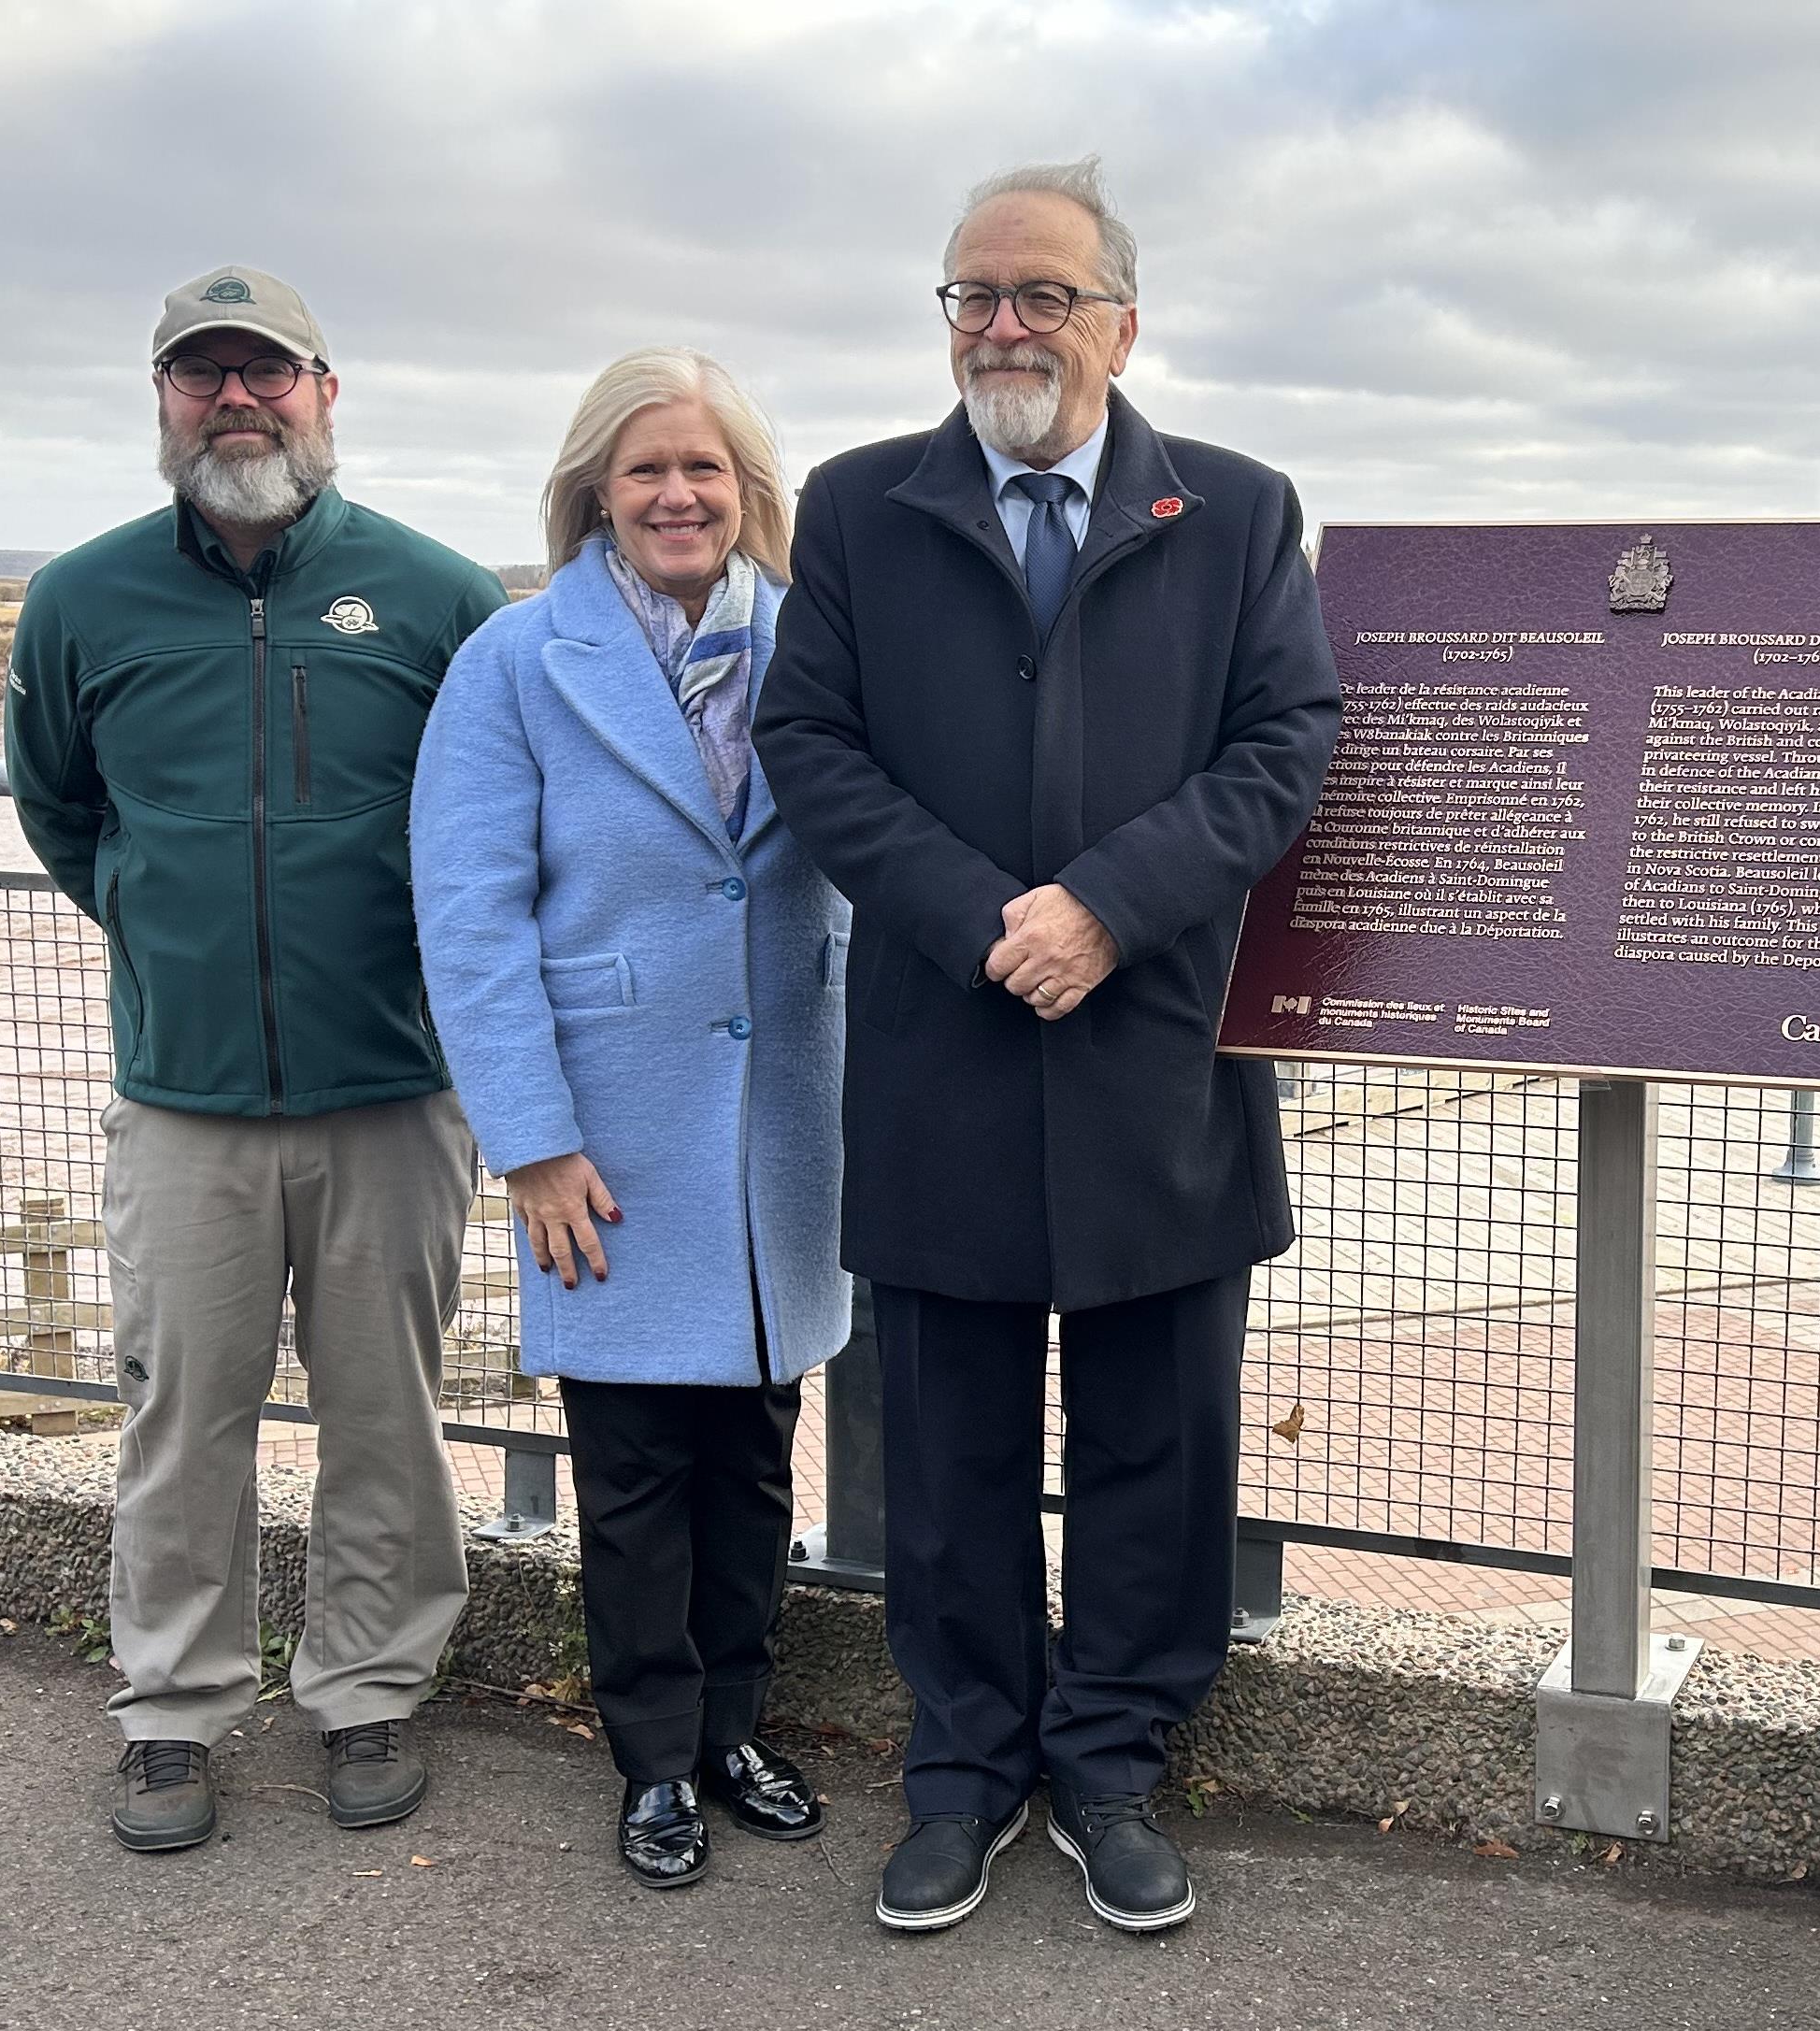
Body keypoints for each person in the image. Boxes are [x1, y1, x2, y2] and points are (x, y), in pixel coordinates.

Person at [755, 156, 1340, 1938]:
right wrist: (979, 918)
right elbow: (811, 741)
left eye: (1044, 296)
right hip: (942, 1050)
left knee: (1162, 1445)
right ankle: (964, 1770)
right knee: (947, 1456)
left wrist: (1105, 906)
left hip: (1155, 1052)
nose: (1003, 327)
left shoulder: (1234, 511)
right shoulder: (859, 507)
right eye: (974, 295)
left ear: (1122, 326)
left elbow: (1286, 742)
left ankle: (1114, 1765)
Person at [6, 265, 507, 1852]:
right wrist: (171, 936)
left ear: (325, 392)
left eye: (266, 371)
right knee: (181, 1416)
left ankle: (371, 1687)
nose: (236, 399)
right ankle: (171, 1708)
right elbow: (62, 813)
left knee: (387, 1412)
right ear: (163, 398)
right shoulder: (79, 600)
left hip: (395, 1093)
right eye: (201, 373)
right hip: (184, 1103)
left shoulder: (439, 598)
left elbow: (494, 823)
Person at [411, 349, 844, 1890]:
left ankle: (735, 1729)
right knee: (637, 1468)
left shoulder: (814, 642)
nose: (678, 495)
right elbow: (470, 917)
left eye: (704, 467)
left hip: (784, 1122)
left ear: (747, 489)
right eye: (647, 468)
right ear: (596, 489)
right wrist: (530, 1141)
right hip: (604, 1130)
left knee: (755, 1460)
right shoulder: (516, 660)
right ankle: (654, 1757)